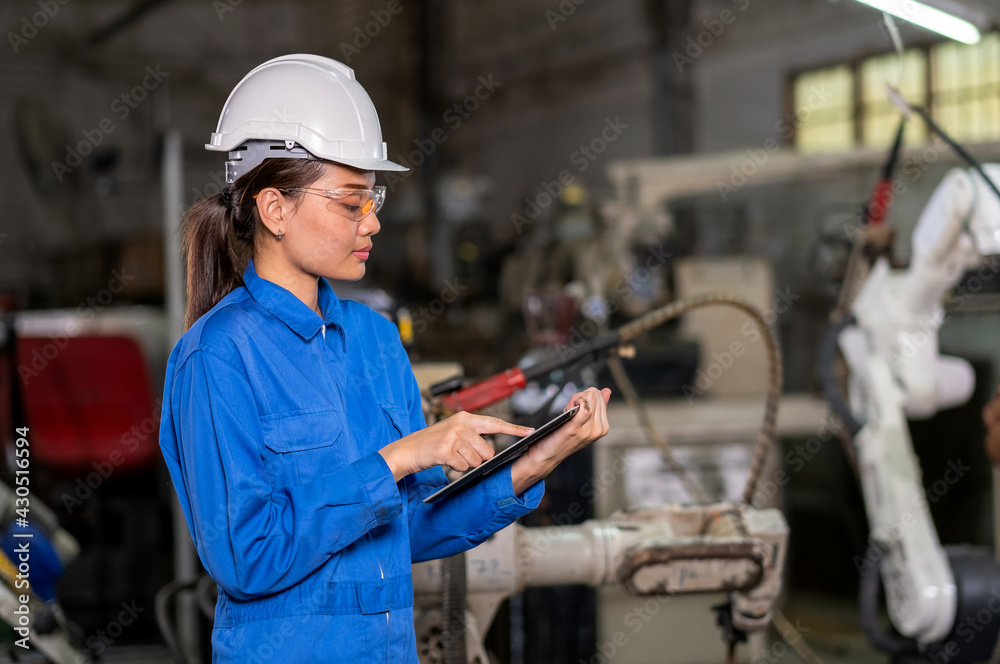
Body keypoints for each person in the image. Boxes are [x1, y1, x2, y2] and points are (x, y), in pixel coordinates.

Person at [157, 54, 612, 662]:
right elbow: (246, 558)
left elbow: (411, 528)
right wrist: (400, 455)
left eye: (373, 199)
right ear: (275, 209)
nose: (372, 221)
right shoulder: (216, 356)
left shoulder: (374, 339)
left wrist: (533, 464)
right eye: (350, 204)